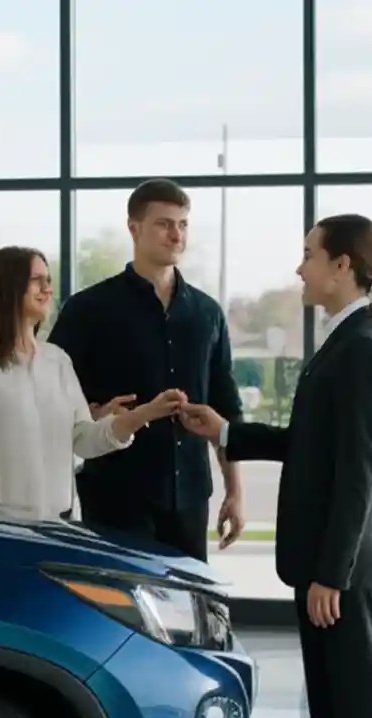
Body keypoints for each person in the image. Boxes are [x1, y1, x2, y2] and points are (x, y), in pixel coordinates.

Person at [179, 213, 372, 718]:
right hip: (329, 566)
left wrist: (332, 575)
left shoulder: (362, 349)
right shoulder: (345, 342)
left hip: (341, 571)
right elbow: (311, 445)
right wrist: (224, 430)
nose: (299, 269)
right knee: (334, 705)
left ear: (342, 265)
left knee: (359, 705)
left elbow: (357, 474)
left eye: (309, 255)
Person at [47, 178, 244, 561]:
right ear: (134, 228)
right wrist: (97, 413)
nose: (176, 234)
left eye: (183, 224)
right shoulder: (87, 310)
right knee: (118, 614)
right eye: (164, 224)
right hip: (114, 494)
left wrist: (235, 492)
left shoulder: (208, 314)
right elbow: (51, 397)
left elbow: (227, 412)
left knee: (188, 611)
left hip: (188, 495)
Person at [0, 246, 185, 522]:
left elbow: (84, 440)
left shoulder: (57, 361)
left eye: (49, 280)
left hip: (57, 527)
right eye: (36, 280)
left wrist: (143, 414)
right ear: (6, 287)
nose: (47, 288)